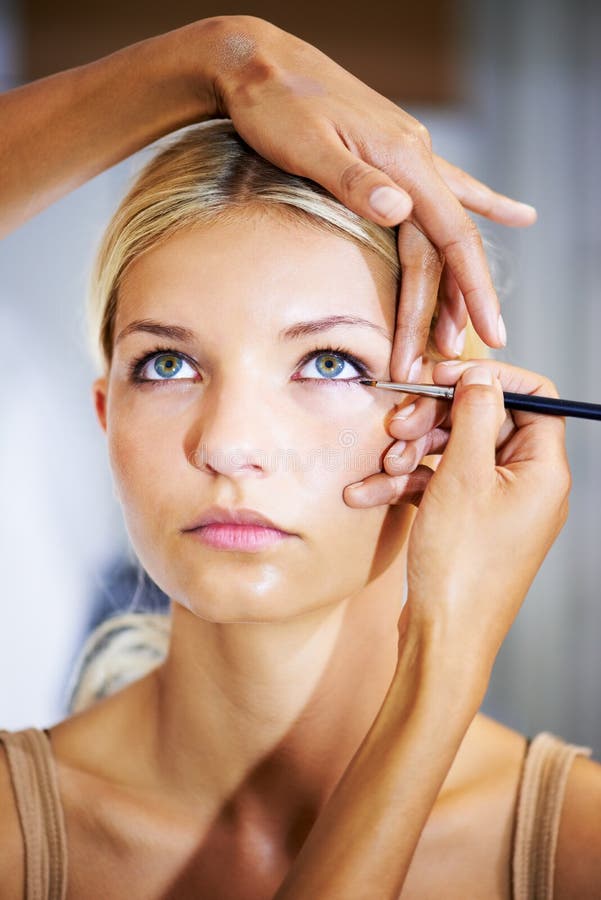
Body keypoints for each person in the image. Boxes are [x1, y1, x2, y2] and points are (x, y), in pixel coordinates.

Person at [1, 15, 599, 900]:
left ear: (455, 423)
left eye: (329, 362)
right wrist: (215, 60)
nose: (229, 443)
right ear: (105, 413)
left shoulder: (578, 848)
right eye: (166, 364)